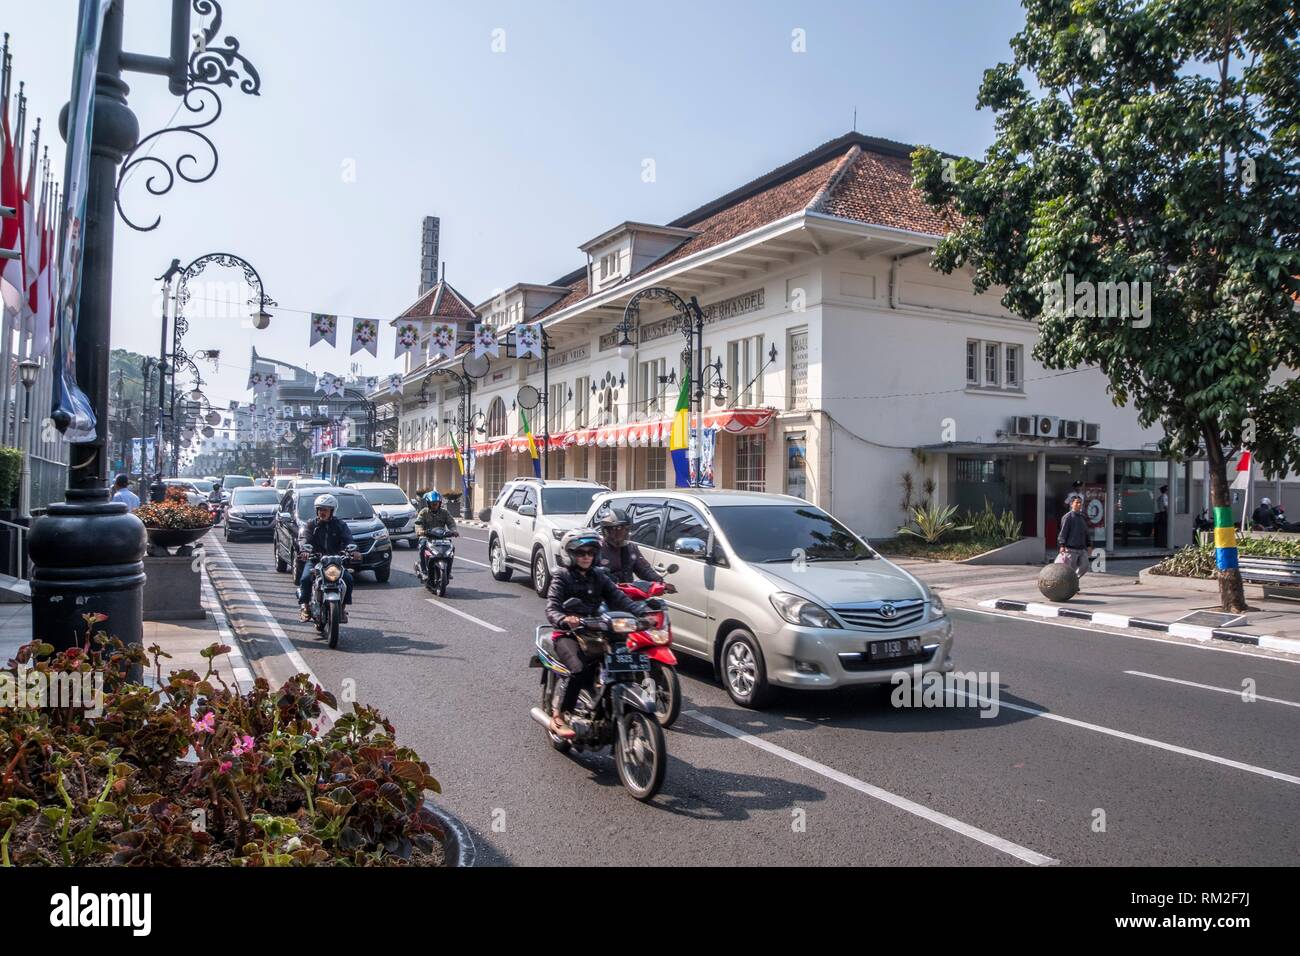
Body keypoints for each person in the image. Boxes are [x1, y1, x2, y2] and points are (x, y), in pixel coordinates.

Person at [544, 528, 644, 739]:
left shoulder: (599, 576)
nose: (586, 557)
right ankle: (559, 714)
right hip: (569, 634)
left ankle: (612, 702)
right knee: (579, 669)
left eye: (590, 552)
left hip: (598, 630)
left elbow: (619, 598)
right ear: (570, 554)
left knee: (626, 659)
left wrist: (643, 614)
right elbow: (551, 607)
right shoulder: (562, 576)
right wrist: (564, 619)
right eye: (581, 553)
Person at [296, 494, 357, 624]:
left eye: (325, 509)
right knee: (306, 579)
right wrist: (305, 551)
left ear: (332, 511)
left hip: (335, 562)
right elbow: (304, 538)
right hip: (315, 560)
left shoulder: (340, 525)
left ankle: (341, 609)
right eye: (319, 509)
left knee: (348, 579)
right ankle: (305, 608)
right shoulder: (310, 525)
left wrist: (354, 551)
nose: (322, 512)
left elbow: (349, 539)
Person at [596, 507, 675, 592]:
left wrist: (661, 583)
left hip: (627, 595)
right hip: (604, 596)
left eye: (625, 528)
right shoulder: (597, 549)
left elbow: (644, 570)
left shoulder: (631, 548)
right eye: (617, 529)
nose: (622, 532)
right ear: (606, 530)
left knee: (655, 605)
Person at [414, 491, 457, 580]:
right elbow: (418, 523)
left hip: (441, 537)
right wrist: (420, 531)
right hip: (426, 536)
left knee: (451, 548)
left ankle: (448, 571)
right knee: (422, 546)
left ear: (440, 503)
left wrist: (454, 531)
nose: (435, 505)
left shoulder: (444, 512)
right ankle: (424, 571)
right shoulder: (423, 512)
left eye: (436, 503)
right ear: (429, 503)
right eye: (433, 504)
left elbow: (451, 522)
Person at [1057, 493, 1090, 587]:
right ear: (1072, 504)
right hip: (1070, 549)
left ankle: (1074, 581)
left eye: (1080, 503)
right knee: (1070, 570)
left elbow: (1086, 532)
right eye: (1077, 503)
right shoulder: (1068, 517)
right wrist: (1062, 545)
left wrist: (1089, 545)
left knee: (1085, 566)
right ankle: (1071, 586)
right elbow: (1063, 532)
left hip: (1081, 549)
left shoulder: (1082, 517)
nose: (1079, 505)